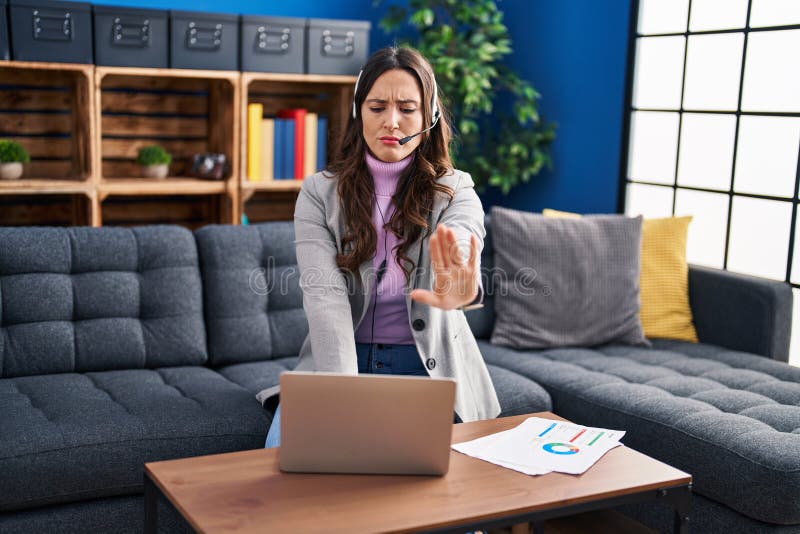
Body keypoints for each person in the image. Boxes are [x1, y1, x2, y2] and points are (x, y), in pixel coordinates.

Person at [258, 46, 500, 448]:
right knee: (291, 469)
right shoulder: (318, 193)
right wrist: (344, 396)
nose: (392, 121)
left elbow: (463, 235)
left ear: (430, 116)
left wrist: (460, 282)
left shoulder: (457, 189)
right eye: (377, 107)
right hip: (339, 360)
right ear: (358, 112)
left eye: (407, 108)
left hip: (430, 368)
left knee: (434, 493)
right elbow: (325, 296)